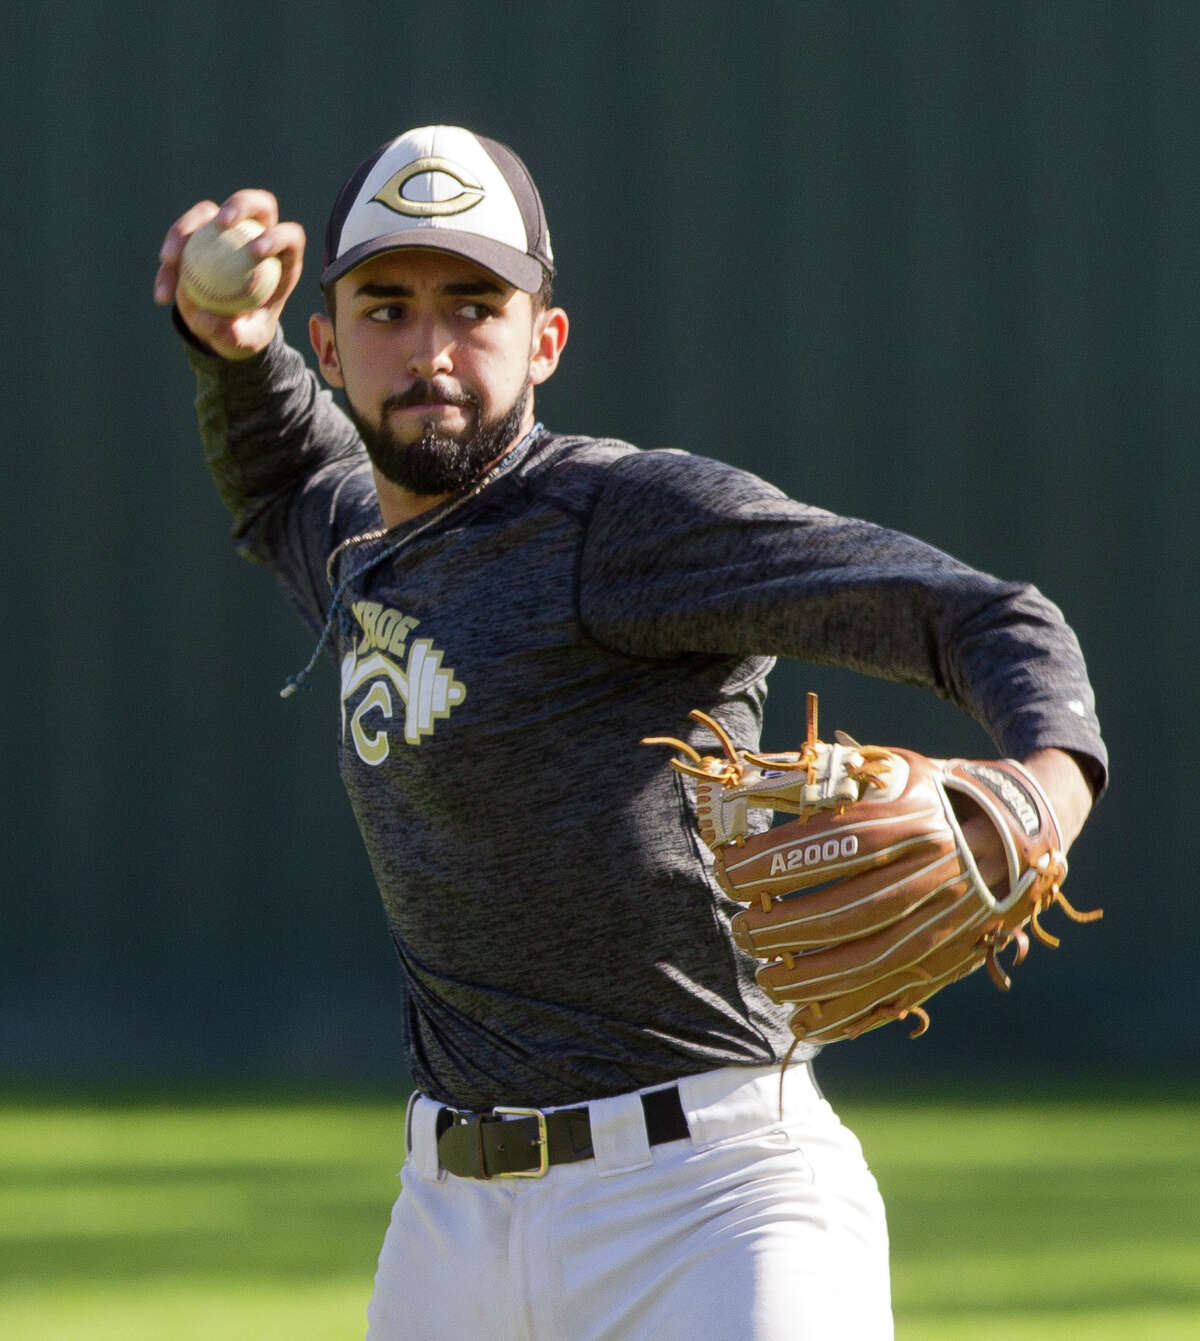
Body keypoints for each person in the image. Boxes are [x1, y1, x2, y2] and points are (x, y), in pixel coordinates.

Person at [154, 125, 1106, 1340]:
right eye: (388, 309)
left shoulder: (625, 524)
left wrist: (1048, 785)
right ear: (329, 346)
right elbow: (283, 479)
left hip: (710, 1206)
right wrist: (229, 345)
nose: (432, 348)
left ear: (545, 340)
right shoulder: (362, 548)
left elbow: (974, 615)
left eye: (475, 305)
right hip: (446, 1229)